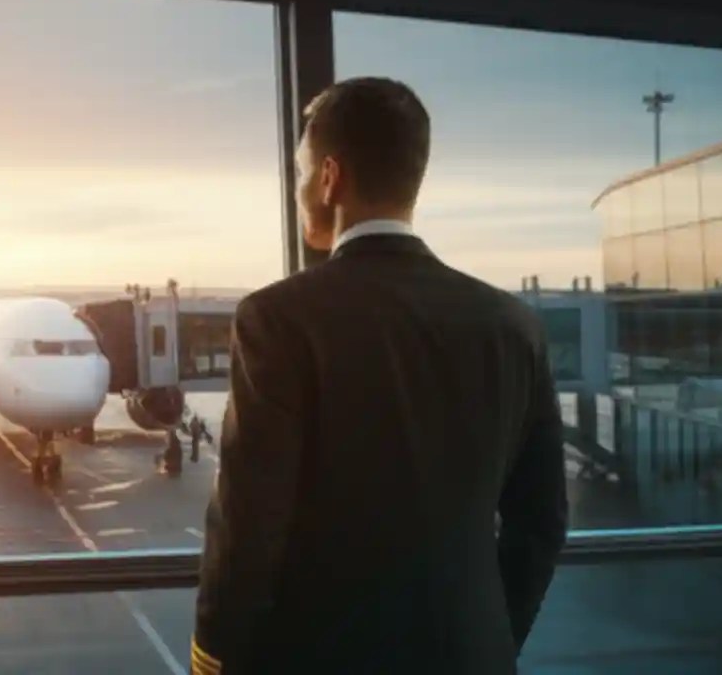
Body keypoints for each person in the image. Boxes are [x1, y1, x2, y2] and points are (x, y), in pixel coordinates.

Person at [192, 77, 568, 674]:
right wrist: (489, 639)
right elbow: (542, 520)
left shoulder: (277, 319)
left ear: (329, 179)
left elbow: (247, 533)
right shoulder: (513, 323)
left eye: (301, 174)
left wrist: (213, 661)